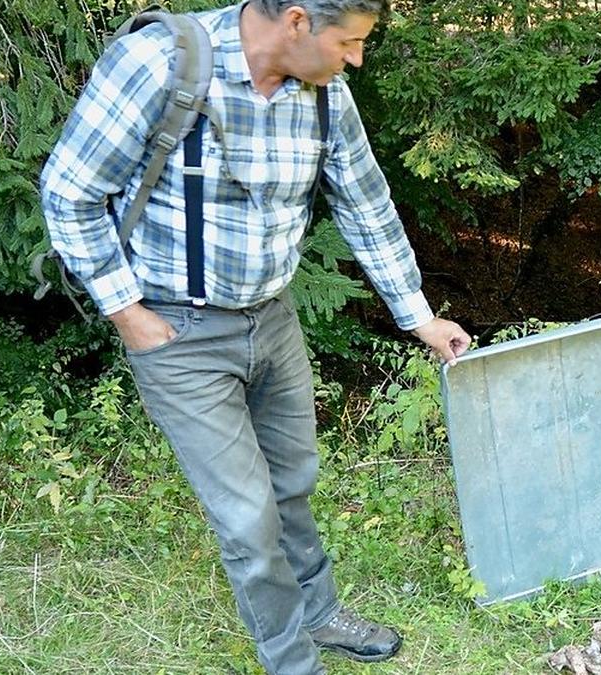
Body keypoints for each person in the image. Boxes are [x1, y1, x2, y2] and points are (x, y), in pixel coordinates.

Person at [39, 1, 471, 673]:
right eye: (348, 42)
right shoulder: (161, 63)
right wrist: (128, 312)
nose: (356, 58)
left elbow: (365, 203)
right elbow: (69, 192)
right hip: (177, 333)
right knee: (247, 518)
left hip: (272, 317)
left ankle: (319, 613)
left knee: (292, 481)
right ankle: (292, 661)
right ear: (297, 22)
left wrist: (418, 314)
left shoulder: (324, 95)